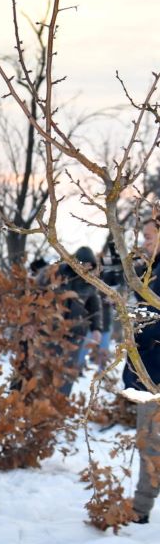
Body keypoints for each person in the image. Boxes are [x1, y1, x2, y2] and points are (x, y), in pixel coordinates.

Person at [122, 216, 160, 525]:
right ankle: (140, 506)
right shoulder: (149, 275)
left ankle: (140, 509)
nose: (144, 242)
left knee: (150, 443)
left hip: (156, 377)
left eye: (149, 237)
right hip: (147, 375)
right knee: (148, 442)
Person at [38, 246, 102, 396]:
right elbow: (39, 291)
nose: (86, 268)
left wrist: (96, 328)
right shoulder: (58, 272)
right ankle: (40, 404)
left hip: (75, 333)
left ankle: (60, 402)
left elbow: (95, 308)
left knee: (67, 369)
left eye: (89, 266)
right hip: (51, 329)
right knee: (46, 366)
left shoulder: (91, 282)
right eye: (83, 264)